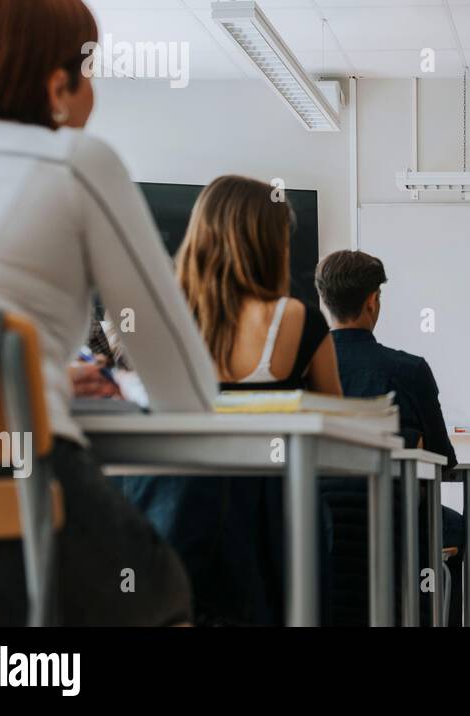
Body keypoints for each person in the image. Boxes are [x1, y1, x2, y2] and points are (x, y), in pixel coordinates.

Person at [0, 0, 217, 625]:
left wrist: (35, 372)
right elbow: (188, 391)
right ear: (57, 83)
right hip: (13, 516)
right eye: (90, 69)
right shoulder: (75, 163)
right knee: (163, 591)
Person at [119, 175, 341, 625]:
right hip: (273, 518)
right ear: (266, 242)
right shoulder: (295, 317)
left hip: (164, 510)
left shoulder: (154, 317)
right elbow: (339, 429)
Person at [313, 249, 470, 626]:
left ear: (323, 300)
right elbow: (443, 461)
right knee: (464, 534)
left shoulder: (302, 369)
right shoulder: (408, 370)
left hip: (312, 512)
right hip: (394, 517)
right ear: (373, 301)